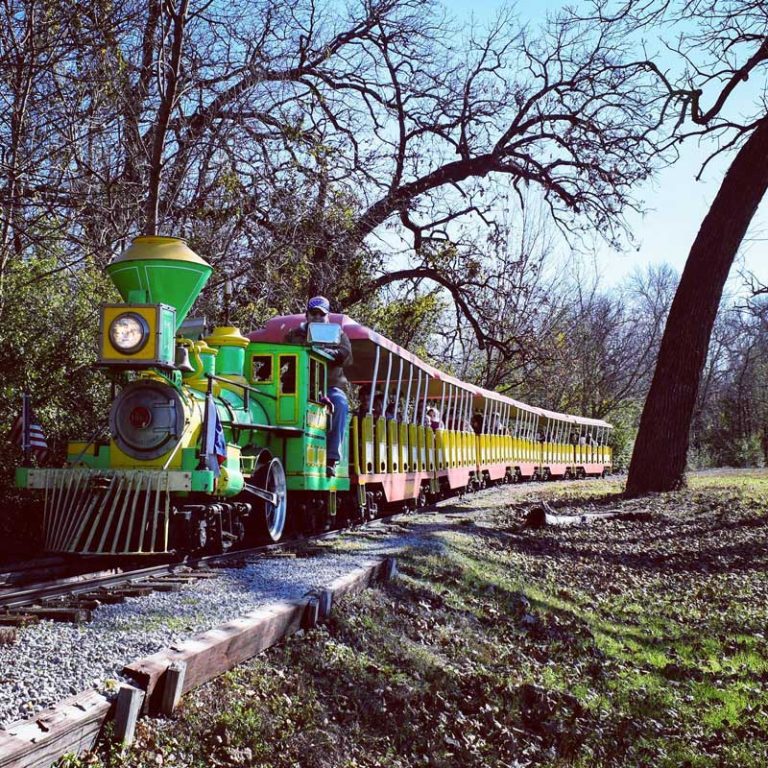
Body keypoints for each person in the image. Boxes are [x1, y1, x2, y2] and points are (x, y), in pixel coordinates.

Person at [286, 296, 353, 477]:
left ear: (327, 316)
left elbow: (346, 354)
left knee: (340, 404)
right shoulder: (295, 335)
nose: (317, 317)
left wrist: (333, 352)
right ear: (306, 315)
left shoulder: (337, 334)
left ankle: (331, 459)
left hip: (328, 387)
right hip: (299, 386)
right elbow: (284, 354)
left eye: (321, 314)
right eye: (313, 313)